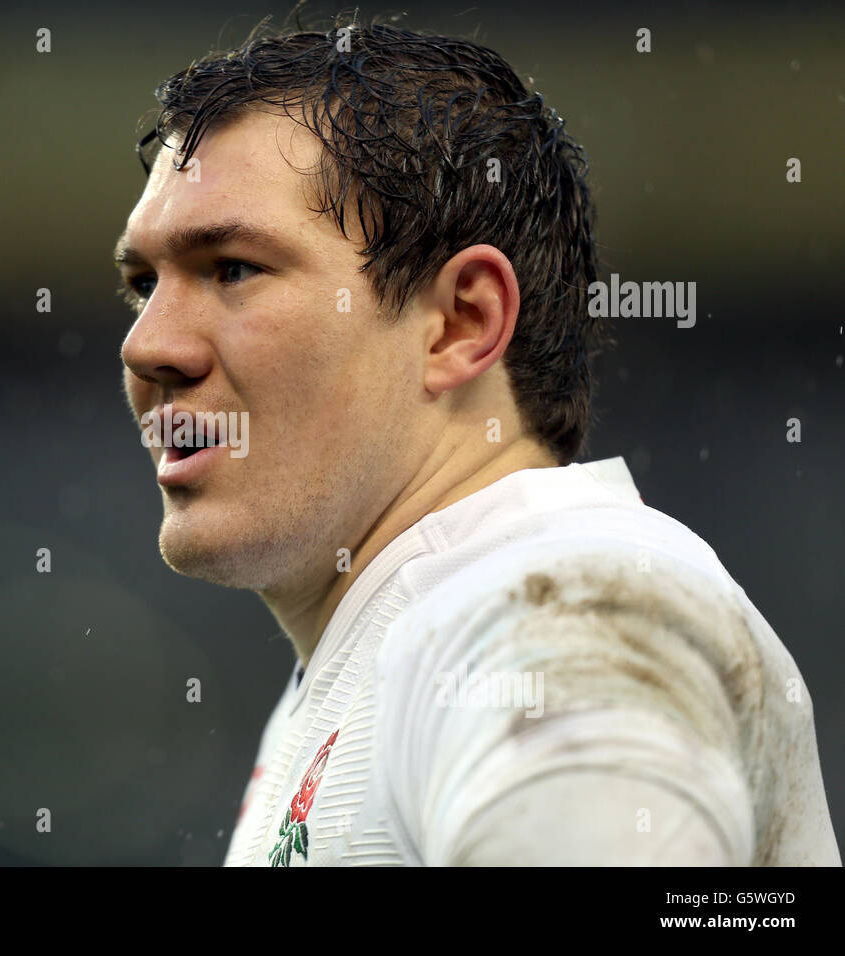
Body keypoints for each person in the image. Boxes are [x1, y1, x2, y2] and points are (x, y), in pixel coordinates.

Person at [112, 19, 839, 865]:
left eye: (232, 268)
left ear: (462, 322)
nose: (145, 345)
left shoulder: (560, 606)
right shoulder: (409, 634)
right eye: (142, 285)